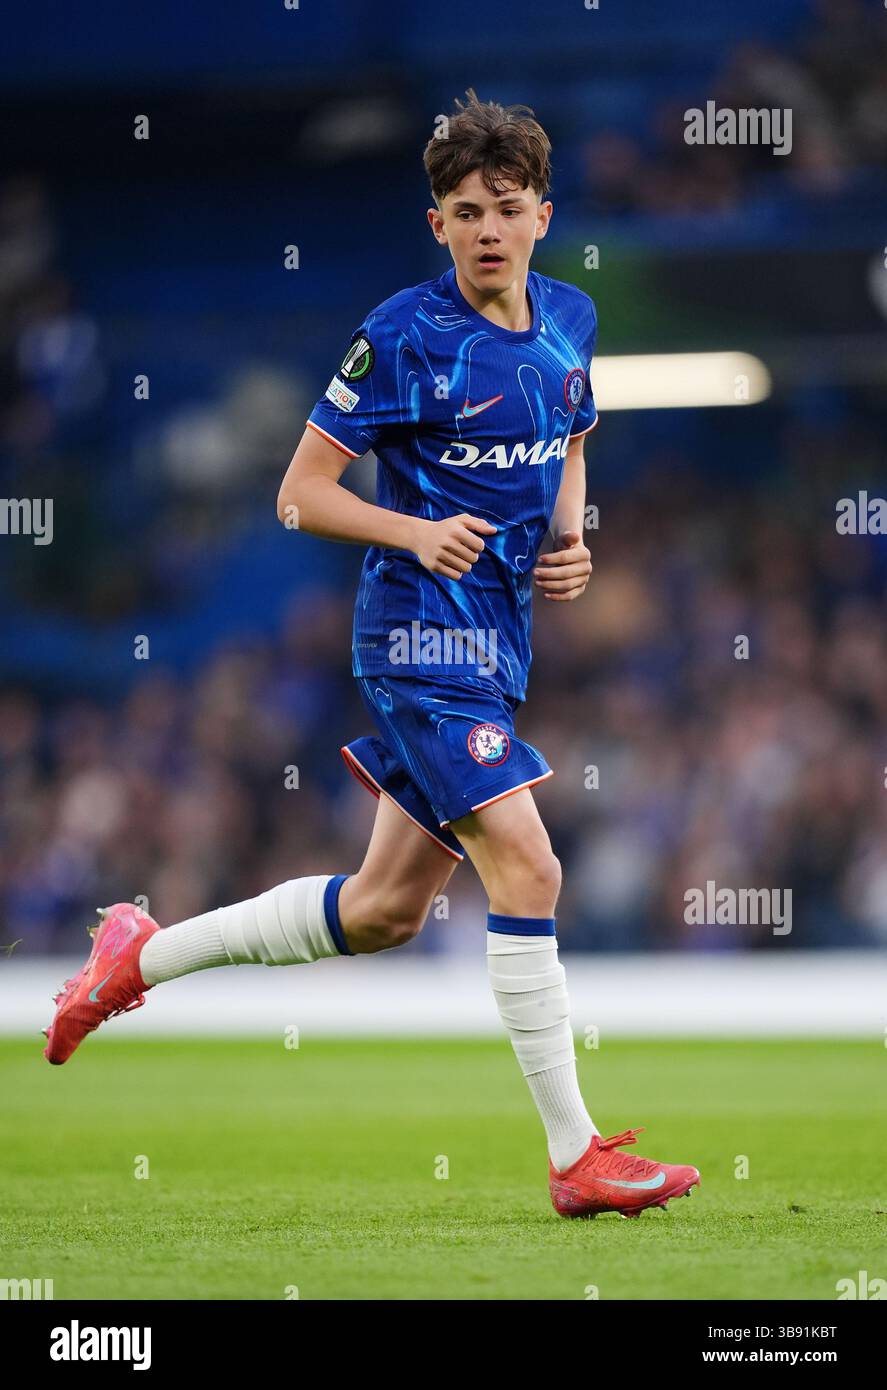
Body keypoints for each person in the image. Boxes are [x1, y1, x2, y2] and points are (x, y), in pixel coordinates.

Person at [43, 90, 699, 1219]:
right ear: (435, 224)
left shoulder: (571, 319)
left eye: (505, 208)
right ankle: (575, 1157)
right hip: (415, 638)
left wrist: (568, 536)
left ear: (543, 215)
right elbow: (299, 494)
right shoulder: (398, 336)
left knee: (384, 910)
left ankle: (134, 956)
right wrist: (410, 531)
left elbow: (573, 433)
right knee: (531, 867)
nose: (486, 229)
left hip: (497, 647)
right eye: (464, 211)